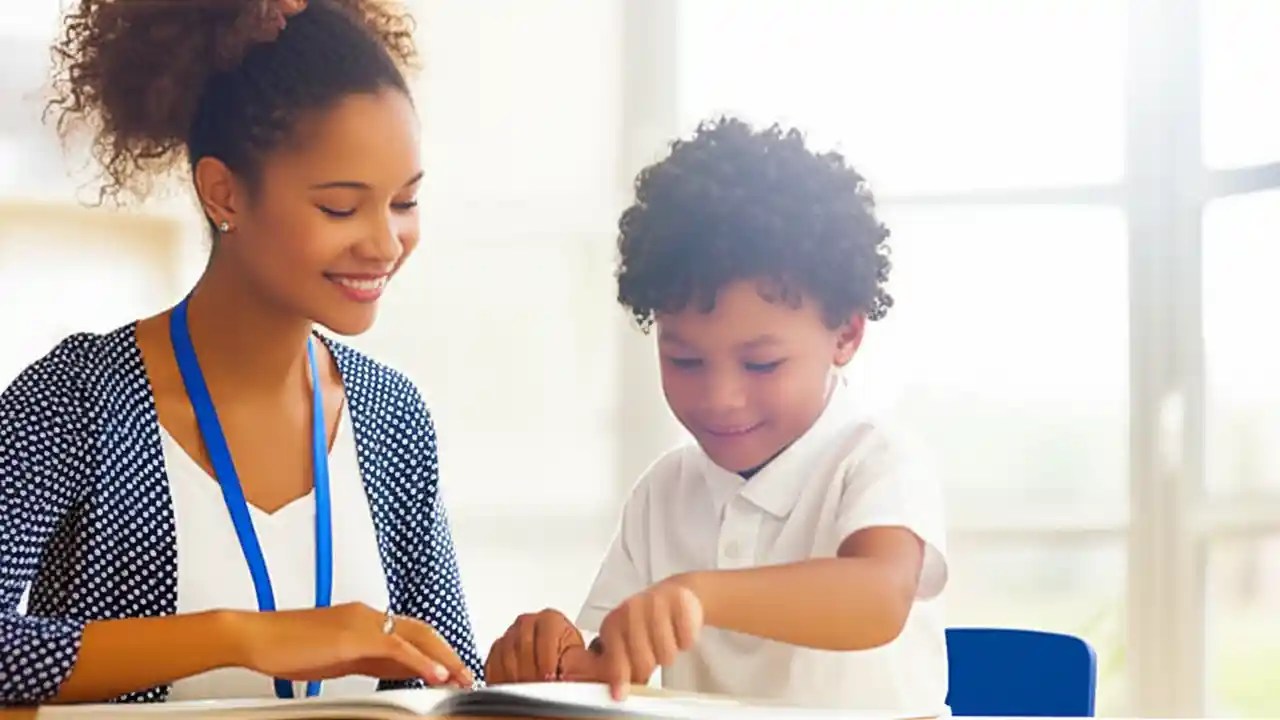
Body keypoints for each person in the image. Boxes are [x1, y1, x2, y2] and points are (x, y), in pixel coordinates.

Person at [0, 0, 481, 705]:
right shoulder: (78, 403)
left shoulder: (391, 419)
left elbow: (447, 682)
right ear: (224, 193)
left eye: (404, 203)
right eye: (341, 208)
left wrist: (541, 669)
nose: (384, 244)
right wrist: (245, 635)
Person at [486, 118, 949, 711]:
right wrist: (550, 657)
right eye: (684, 359)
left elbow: (879, 597)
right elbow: (609, 668)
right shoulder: (664, 494)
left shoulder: (874, 458)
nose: (720, 397)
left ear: (846, 334)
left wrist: (700, 596)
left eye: (761, 365)